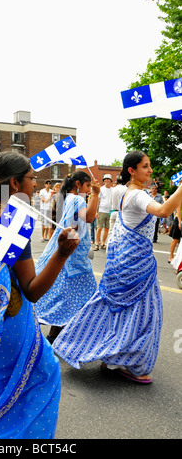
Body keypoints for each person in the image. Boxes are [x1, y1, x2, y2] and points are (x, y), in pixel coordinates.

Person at [0, 151, 79, 439]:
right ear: (14, 183)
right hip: (6, 319)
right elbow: (32, 290)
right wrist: (61, 254)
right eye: (31, 179)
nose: (35, 185)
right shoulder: (14, 221)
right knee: (44, 376)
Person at [53, 150, 182, 384]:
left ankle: (104, 353)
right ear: (131, 170)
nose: (150, 170)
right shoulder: (136, 196)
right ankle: (128, 361)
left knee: (118, 309)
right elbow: (163, 211)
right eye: (145, 166)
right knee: (143, 314)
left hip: (125, 258)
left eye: (149, 165)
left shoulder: (123, 191)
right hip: (135, 264)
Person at [35, 171, 100, 343]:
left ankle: (55, 335)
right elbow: (90, 217)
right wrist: (96, 194)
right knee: (84, 295)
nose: (88, 190)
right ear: (78, 184)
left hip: (68, 253)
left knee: (65, 296)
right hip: (74, 256)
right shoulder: (77, 199)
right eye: (87, 187)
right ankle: (72, 337)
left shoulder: (66, 198)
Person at [94, 173, 112, 250]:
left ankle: (103, 243)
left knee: (107, 229)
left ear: (111, 180)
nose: (106, 180)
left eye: (108, 179)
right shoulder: (101, 189)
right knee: (99, 228)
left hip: (110, 211)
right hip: (101, 210)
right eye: (105, 179)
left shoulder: (113, 190)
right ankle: (97, 244)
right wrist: (96, 211)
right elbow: (97, 200)